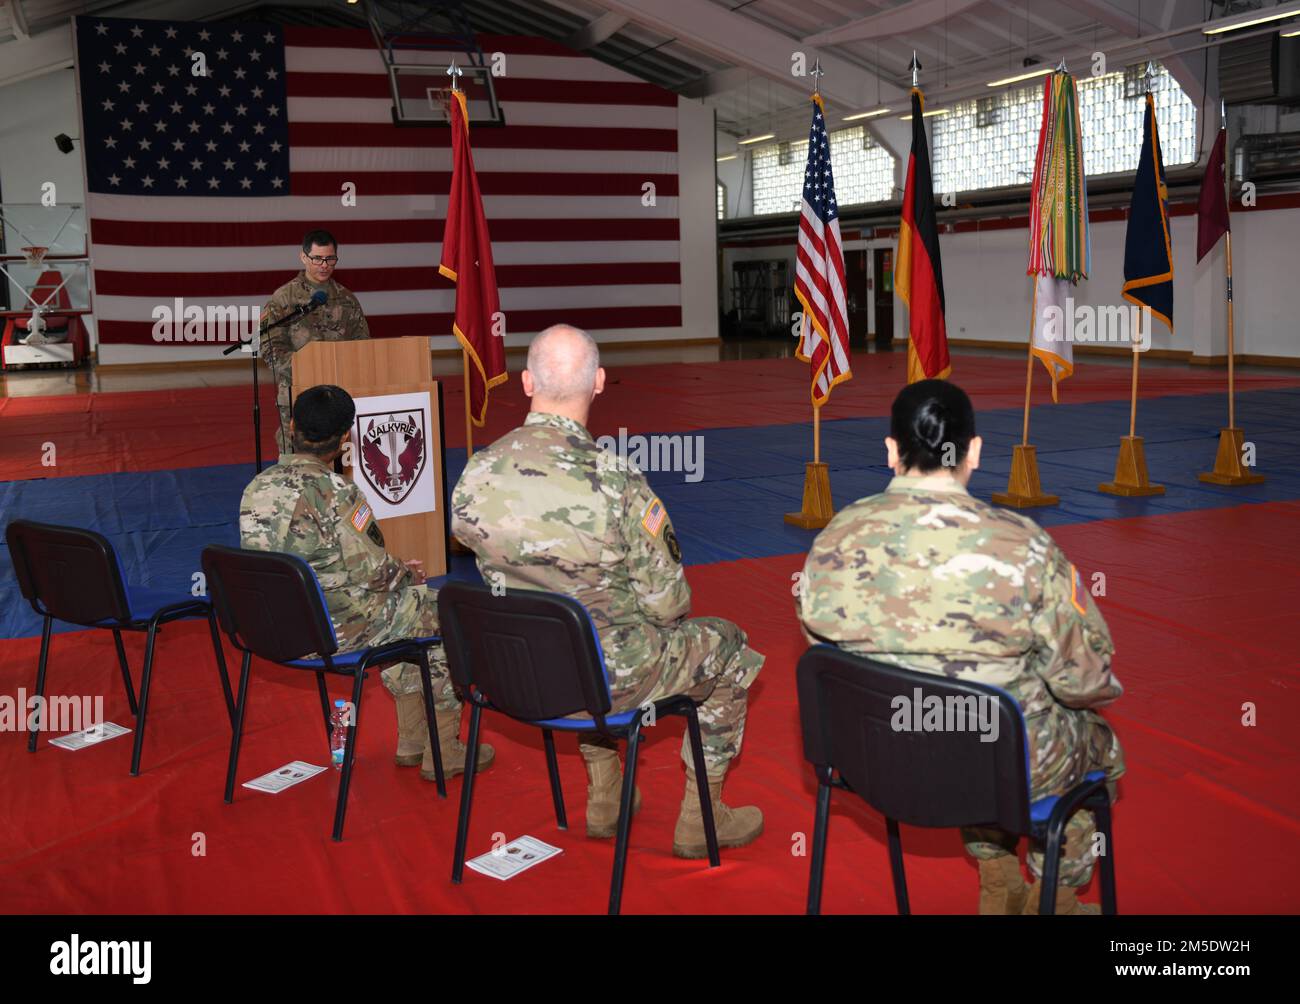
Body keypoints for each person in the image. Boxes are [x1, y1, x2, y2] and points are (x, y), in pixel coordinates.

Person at [795, 379, 1125, 915]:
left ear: (891, 451)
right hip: (996, 763)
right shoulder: (1025, 546)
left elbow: (825, 657)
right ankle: (1058, 899)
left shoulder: (834, 537)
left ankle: (997, 883)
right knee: (1092, 739)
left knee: (964, 714)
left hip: (876, 758)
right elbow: (1083, 681)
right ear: (973, 450)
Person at [451, 324, 764, 857]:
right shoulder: (616, 480)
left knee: (580, 631)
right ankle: (700, 821)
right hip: (604, 679)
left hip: (512, 670)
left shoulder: (477, 471)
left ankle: (605, 800)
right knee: (729, 646)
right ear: (598, 383)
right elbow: (671, 605)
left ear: (526, 383)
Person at [239, 384, 493, 781]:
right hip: (332, 629)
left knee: (404, 609)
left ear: (292, 425)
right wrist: (410, 573)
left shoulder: (256, 487)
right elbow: (373, 573)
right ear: (345, 438)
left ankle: (411, 743)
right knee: (443, 612)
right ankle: (443, 751)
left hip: (275, 627)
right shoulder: (338, 492)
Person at [261, 230, 370, 455]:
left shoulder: (347, 299)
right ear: (303, 257)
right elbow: (269, 345)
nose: (324, 265)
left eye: (330, 259)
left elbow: (363, 346)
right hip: (297, 394)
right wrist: (304, 370)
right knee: (295, 465)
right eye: (317, 259)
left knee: (339, 463)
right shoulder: (285, 298)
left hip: (338, 396)